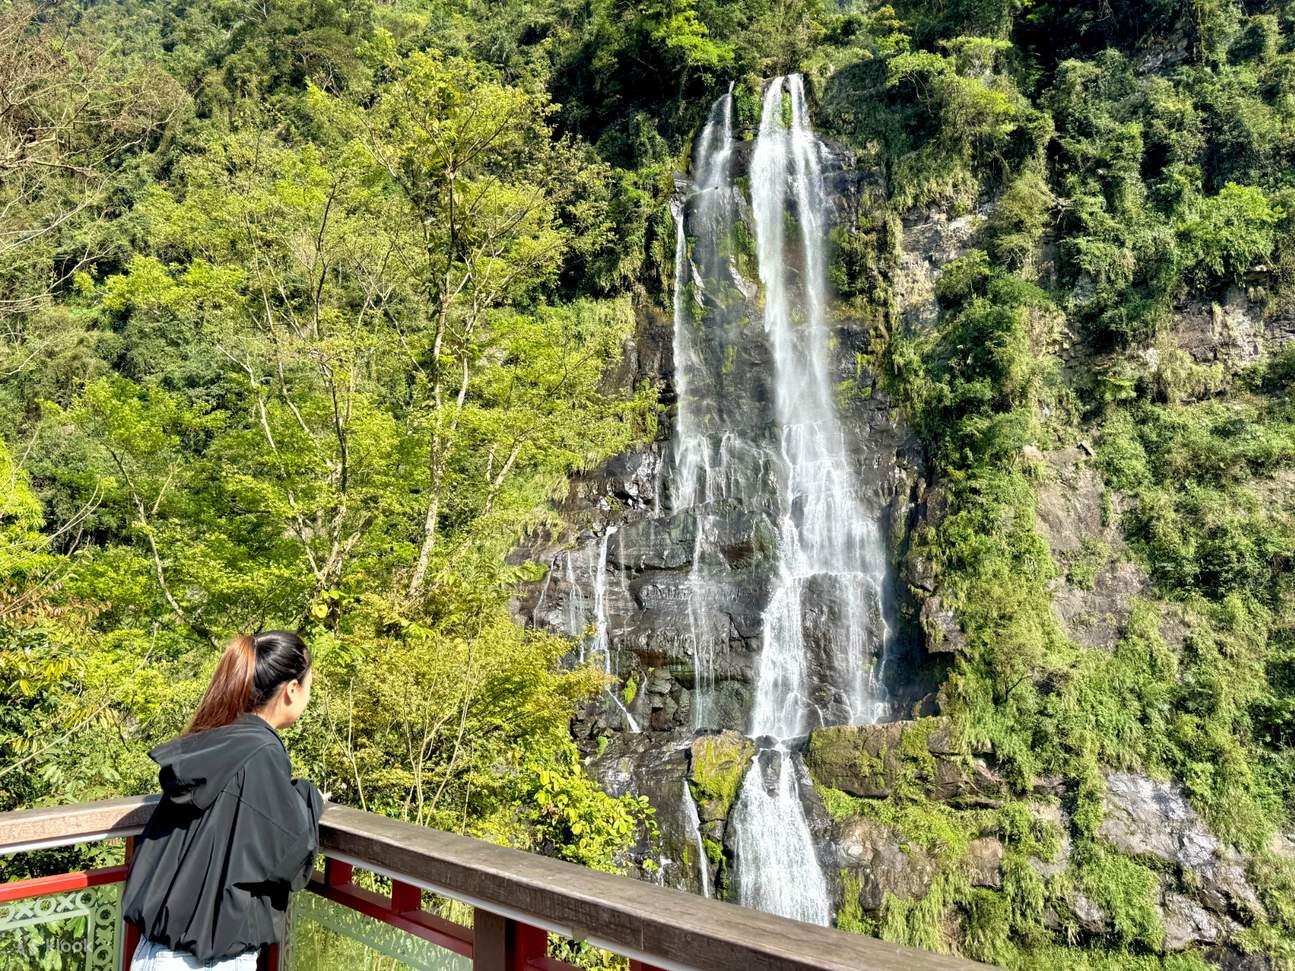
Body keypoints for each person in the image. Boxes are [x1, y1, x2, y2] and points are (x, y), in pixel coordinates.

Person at [121, 630, 324, 970]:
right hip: (208, 960)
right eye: (308, 688)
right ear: (291, 690)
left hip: (152, 954)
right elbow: (289, 854)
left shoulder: (214, 738)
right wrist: (308, 797)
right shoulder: (262, 751)